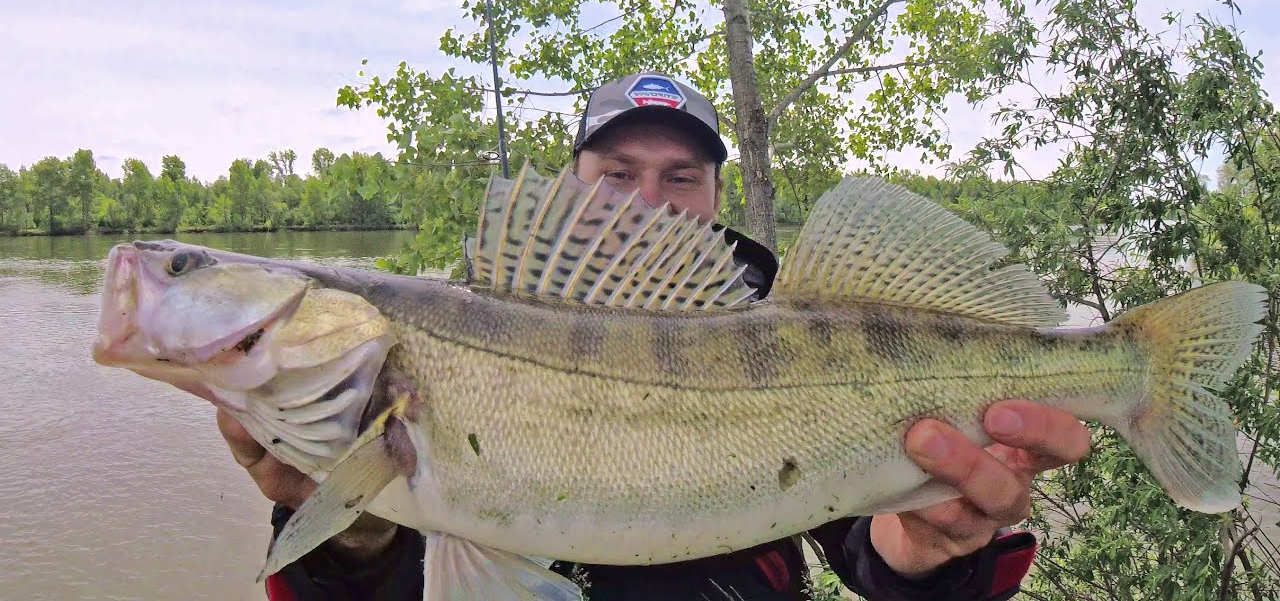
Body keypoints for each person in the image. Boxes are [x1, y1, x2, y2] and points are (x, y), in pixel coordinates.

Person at [217, 72, 1093, 600]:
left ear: (716, 197)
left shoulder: (793, 330)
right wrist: (354, 528)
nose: (646, 200)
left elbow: (874, 550)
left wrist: (933, 550)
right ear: (567, 187)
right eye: (616, 173)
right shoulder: (453, 340)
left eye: (681, 175)